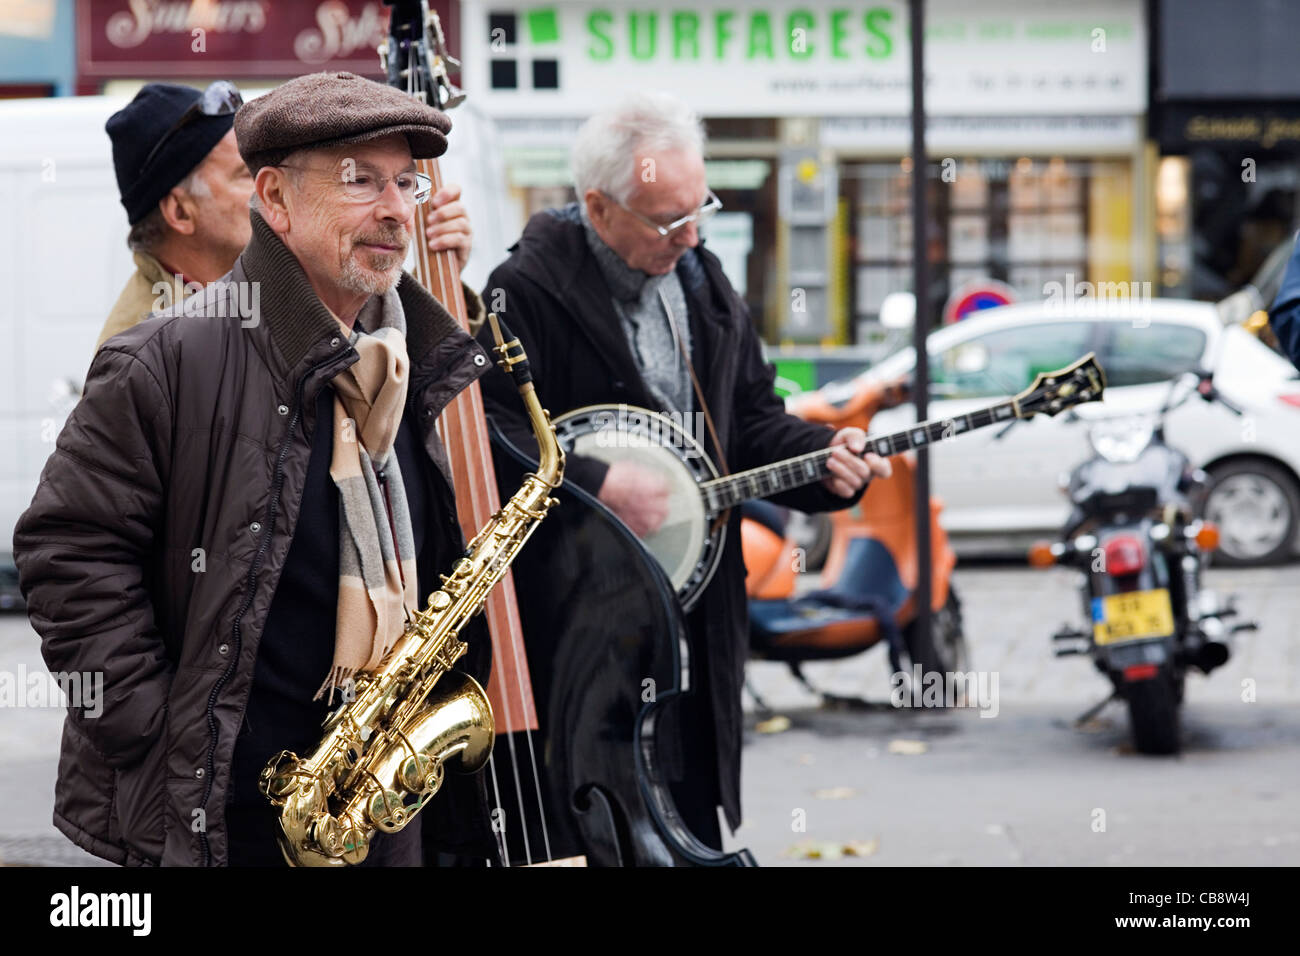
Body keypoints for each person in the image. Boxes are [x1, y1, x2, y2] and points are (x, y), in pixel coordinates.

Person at [15, 71, 496, 867]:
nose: (396, 209)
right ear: (273, 199)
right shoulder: (164, 361)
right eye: (360, 181)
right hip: (228, 827)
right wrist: (164, 734)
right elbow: (67, 553)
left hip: (377, 812)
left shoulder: (408, 361)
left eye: (405, 182)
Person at [475, 91, 890, 851]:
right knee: (595, 833)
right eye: (669, 219)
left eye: (699, 206)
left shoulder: (702, 278)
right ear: (599, 209)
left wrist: (821, 464)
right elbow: (486, 436)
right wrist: (596, 486)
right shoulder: (523, 291)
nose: (692, 233)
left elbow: (753, 419)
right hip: (581, 627)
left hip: (700, 618)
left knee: (691, 818)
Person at [97, 80, 475, 350]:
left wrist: (443, 284)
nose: (274, 193)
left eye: (406, 182)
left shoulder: (261, 289)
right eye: (245, 175)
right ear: (180, 212)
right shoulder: (147, 349)